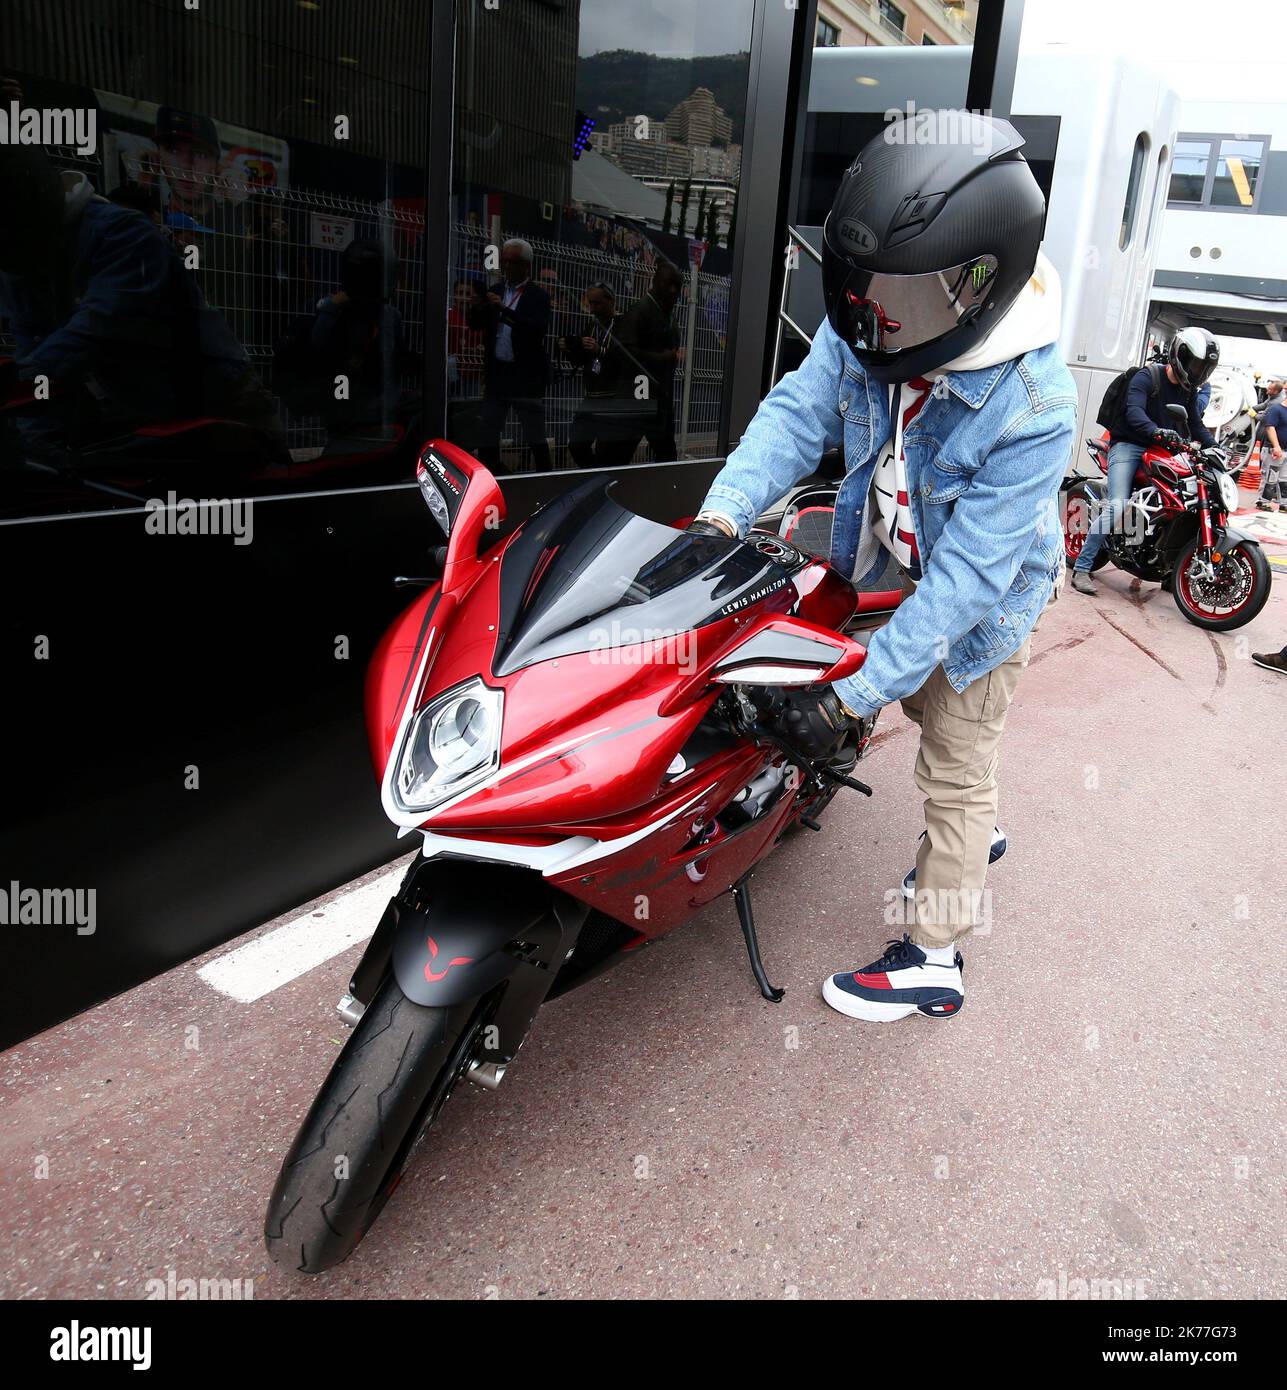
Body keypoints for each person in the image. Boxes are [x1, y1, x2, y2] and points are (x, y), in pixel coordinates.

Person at [688, 112, 1075, 1022]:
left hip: (980, 609)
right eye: (863, 283)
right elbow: (795, 415)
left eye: (903, 292)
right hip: (909, 559)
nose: (872, 312)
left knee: (955, 760)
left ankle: (934, 957)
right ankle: (970, 831)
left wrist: (845, 700)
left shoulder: (1035, 406)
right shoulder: (877, 318)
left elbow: (965, 590)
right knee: (917, 709)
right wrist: (718, 514)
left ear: (981, 281)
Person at [1071, 328, 1220, 595]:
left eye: (1203, 368)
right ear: (1180, 356)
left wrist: (1216, 449)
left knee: (1187, 502)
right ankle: (1082, 568)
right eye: (1195, 365)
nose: (1198, 372)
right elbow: (1134, 413)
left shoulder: (1188, 392)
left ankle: (1171, 570)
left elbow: (1196, 424)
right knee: (1117, 505)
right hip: (1130, 446)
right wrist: (1157, 431)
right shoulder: (1146, 377)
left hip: (1164, 450)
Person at [468, 237, 551, 472]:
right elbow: (475, 325)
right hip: (498, 375)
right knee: (488, 432)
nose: (506, 266)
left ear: (526, 265)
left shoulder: (538, 296)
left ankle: (545, 477)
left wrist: (505, 311)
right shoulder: (495, 291)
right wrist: (477, 307)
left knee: (534, 434)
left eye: (512, 262)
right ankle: (494, 474)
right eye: (504, 261)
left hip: (525, 377)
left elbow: (536, 329)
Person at [561, 282, 641, 468]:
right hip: (591, 398)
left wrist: (601, 351)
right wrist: (569, 349)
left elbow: (629, 359)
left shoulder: (624, 325)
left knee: (606, 451)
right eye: (590, 303)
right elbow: (580, 360)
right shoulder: (592, 326)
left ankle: (600, 479)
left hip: (613, 398)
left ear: (611, 301)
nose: (593, 308)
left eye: (597, 303)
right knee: (576, 444)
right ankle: (593, 476)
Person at [617, 261, 684, 461]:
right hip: (640, 393)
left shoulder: (667, 313)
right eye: (668, 284)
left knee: (666, 455)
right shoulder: (641, 310)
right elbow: (623, 351)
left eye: (677, 286)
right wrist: (661, 358)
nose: (673, 291)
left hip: (659, 395)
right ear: (655, 282)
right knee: (619, 454)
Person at [1255, 378, 1286, 512]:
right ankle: (1263, 501)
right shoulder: (1276, 409)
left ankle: (1284, 503)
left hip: (1284, 450)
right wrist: (1276, 446)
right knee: (1270, 476)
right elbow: (1270, 427)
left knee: (1284, 478)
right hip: (1274, 449)